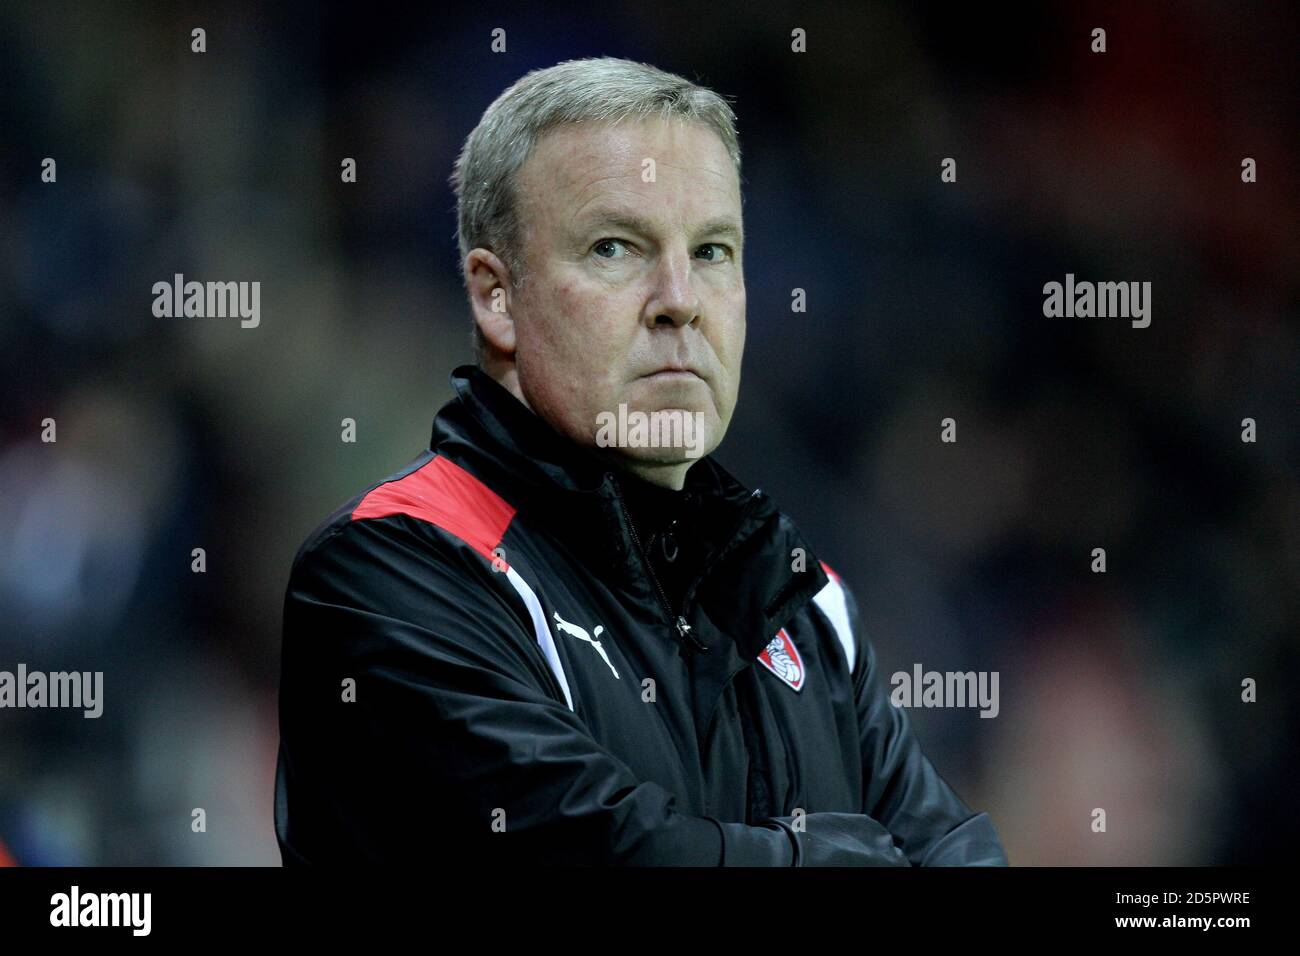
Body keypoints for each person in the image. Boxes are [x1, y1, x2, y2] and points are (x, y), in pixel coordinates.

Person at [274, 56, 1008, 866]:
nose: (679, 298)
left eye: (712, 251)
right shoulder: (387, 573)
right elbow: (611, 858)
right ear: (496, 296)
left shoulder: (803, 602)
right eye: (616, 247)